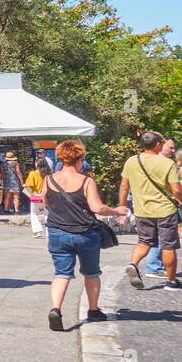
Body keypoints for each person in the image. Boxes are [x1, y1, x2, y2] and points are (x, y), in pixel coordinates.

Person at [45, 140, 129, 332]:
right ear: (80, 159)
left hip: (57, 231)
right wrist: (117, 211)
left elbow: (46, 202)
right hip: (84, 233)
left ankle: (56, 309)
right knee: (91, 273)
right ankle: (93, 310)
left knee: (61, 274)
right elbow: (97, 208)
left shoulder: (49, 179)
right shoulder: (86, 181)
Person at [121, 131, 182, 291]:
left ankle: (133, 263)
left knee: (144, 241)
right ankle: (170, 281)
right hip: (165, 211)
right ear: (157, 145)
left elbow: (124, 186)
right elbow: (176, 190)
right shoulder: (168, 164)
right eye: (161, 143)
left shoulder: (132, 161)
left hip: (142, 210)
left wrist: (122, 206)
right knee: (169, 245)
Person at [141, 136, 176, 278]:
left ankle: (153, 265)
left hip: (149, 206)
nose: (173, 150)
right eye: (170, 147)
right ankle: (154, 267)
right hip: (160, 206)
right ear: (159, 145)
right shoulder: (161, 162)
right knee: (164, 240)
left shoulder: (144, 159)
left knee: (153, 239)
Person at [25, 156, 50, 238]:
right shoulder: (49, 174)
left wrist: (31, 194)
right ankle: (49, 232)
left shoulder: (33, 173)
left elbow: (28, 186)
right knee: (47, 214)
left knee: (34, 214)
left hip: (36, 197)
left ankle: (37, 231)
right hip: (47, 196)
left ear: (37, 164)